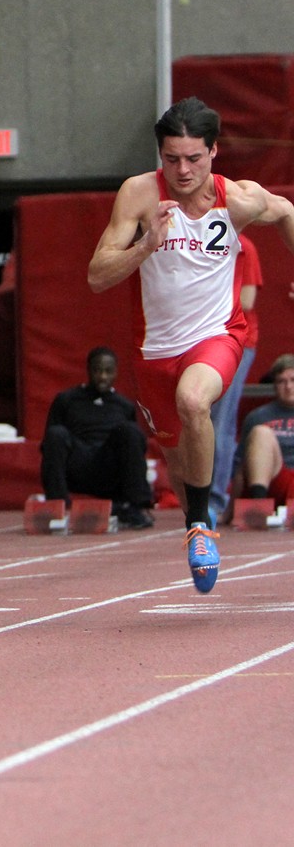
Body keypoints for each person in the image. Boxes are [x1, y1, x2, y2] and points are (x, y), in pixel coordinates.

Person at [88, 97, 294, 592]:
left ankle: (202, 527)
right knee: (179, 461)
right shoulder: (139, 194)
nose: (182, 170)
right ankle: (194, 519)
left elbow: (287, 211)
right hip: (156, 350)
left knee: (194, 400)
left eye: (194, 159)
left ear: (213, 152)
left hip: (218, 335)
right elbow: (97, 276)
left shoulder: (237, 199)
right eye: (172, 158)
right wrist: (145, 245)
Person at [40, 347, 154, 529]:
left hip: (109, 468)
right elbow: (47, 445)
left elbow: (135, 449)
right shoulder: (66, 400)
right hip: (77, 466)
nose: (102, 376)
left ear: (116, 373)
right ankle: (57, 506)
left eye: (108, 371)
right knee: (56, 433)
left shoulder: (124, 405)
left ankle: (135, 507)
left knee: (131, 431)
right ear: (88, 370)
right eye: (97, 370)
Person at [209, 233, 261, 519]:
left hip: (235, 340)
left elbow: (247, 300)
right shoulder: (196, 241)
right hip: (200, 340)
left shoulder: (244, 246)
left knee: (221, 422)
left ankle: (216, 499)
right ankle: (202, 493)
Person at [232, 353, 294, 511]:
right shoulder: (258, 416)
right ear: (274, 385)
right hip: (274, 479)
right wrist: (231, 510)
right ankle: (257, 507)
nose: (288, 387)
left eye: (293, 380)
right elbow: (241, 465)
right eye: (281, 381)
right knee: (261, 432)